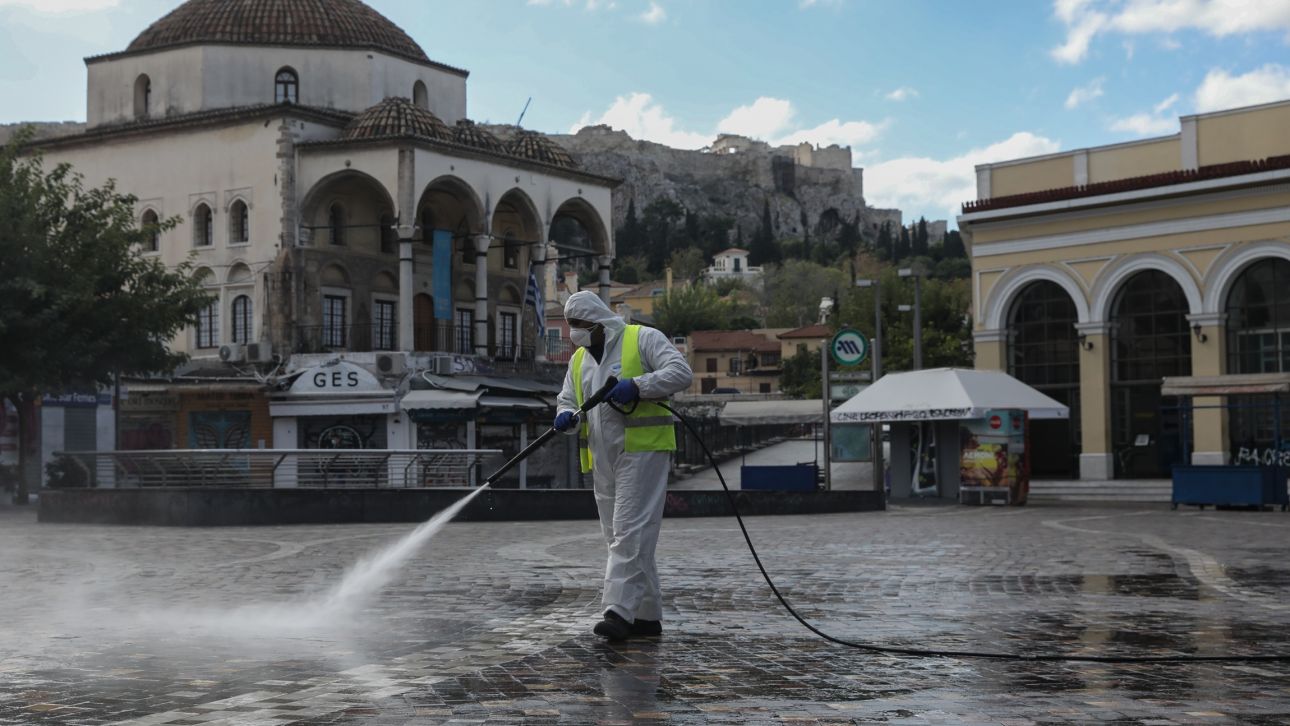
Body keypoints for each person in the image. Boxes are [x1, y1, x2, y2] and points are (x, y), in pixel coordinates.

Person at [554, 291, 693, 641]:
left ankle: (617, 612)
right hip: (602, 459)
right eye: (571, 327)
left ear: (599, 322)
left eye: (580, 326)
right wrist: (564, 416)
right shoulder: (578, 361)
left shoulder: (642, 338)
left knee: (629, 530)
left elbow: (680, 372)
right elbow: (567, 398)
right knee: (619, 536)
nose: (575, 333)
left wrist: (640, 386)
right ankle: (646, 615)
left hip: (643, 451)